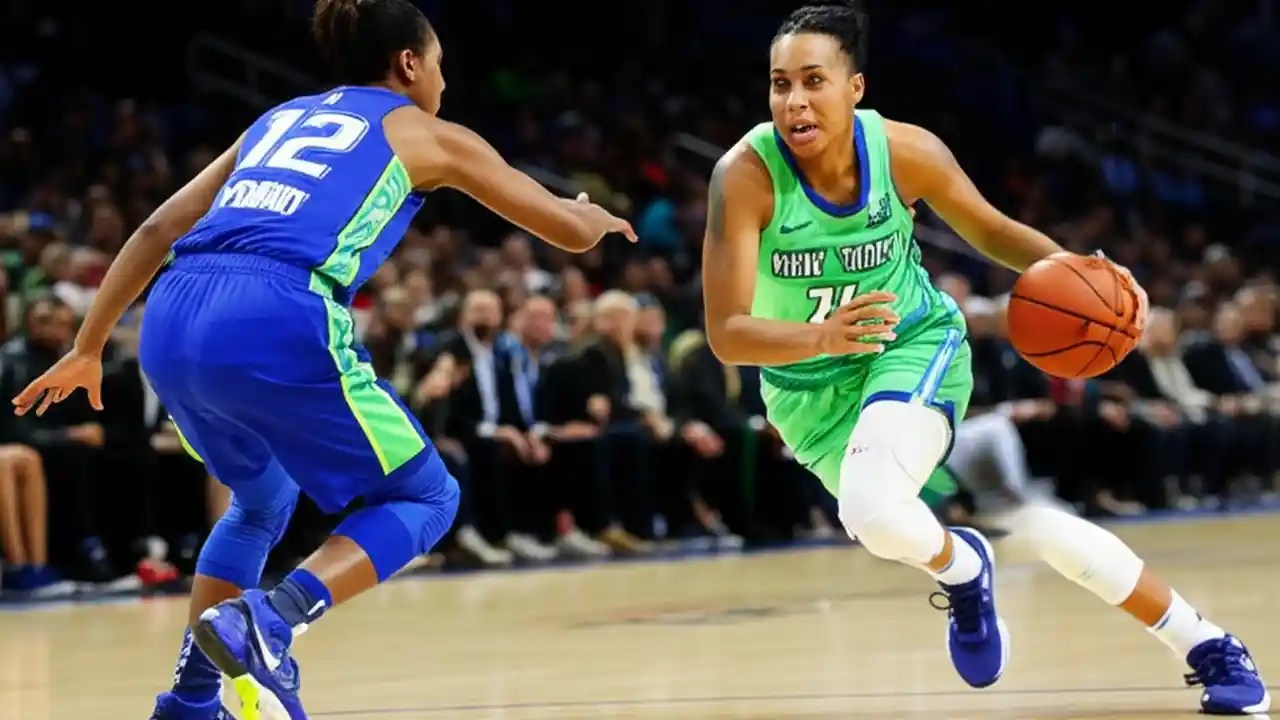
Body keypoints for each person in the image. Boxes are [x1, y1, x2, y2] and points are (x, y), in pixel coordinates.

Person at [11, 1, 634, 718]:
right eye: (439, 65)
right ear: (409, 63)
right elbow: (566, 228)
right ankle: (271, 622)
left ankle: (189, 702)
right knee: (426, 497)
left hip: (172, 312)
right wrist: (593, 213)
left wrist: (89, 346)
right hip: (276, 307)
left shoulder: (276, 118)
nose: (443, 80)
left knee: (261, 500)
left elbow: (158, 225)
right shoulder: (426, 131)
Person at [698, 1, 1267, 714]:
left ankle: (1207, 644)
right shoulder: (743, 176)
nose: (794, 100)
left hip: (910, 344)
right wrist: (821, 337)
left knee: (928, 504)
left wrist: (1095, 277)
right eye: (780, 84)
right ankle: (965, 569)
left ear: (856, 89)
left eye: (814, 80)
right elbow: (726, 331)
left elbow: (994, 233)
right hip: (805, 383)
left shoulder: (907, 153)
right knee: (879, 524)